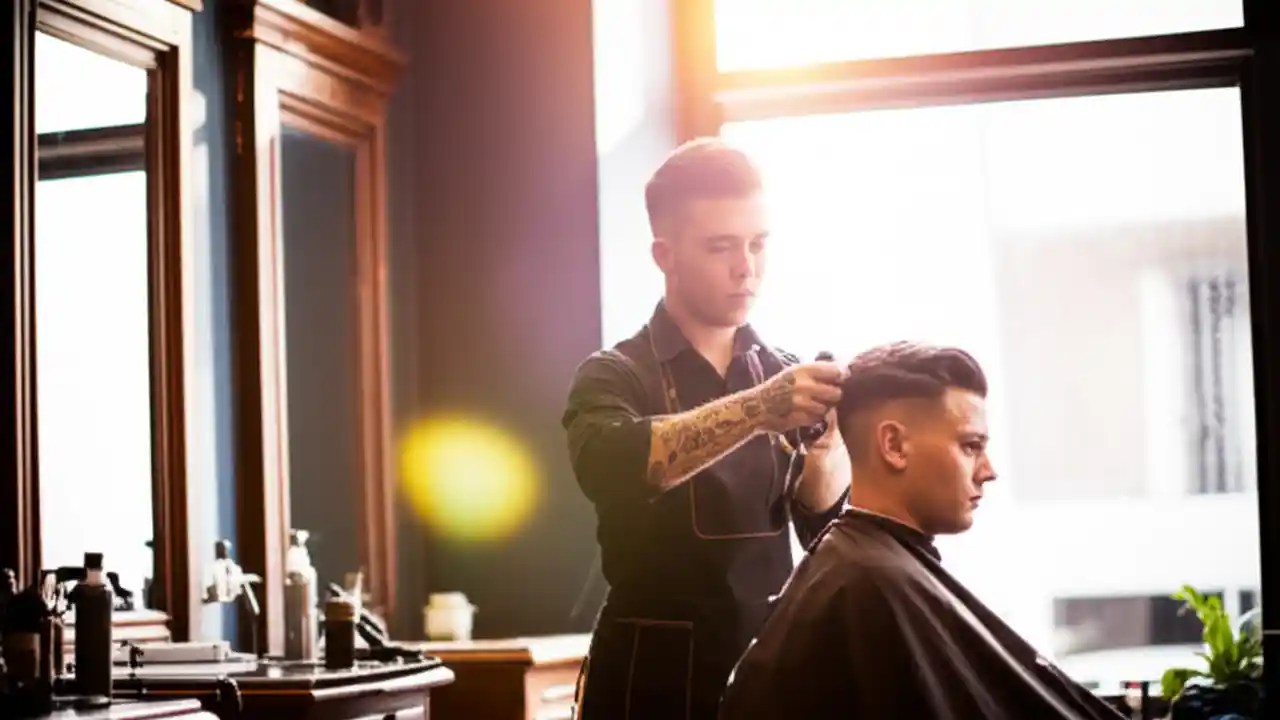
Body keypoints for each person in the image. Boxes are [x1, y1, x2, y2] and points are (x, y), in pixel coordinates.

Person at [561, 138, 851, 719]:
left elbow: (821, 524)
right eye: (721, 247)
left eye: (758, 244)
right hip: (648, 681)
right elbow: (620, 465)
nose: (747, 267)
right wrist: (760, 410)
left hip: (767, 668)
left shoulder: (782, 370)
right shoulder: (612, 375)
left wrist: (828, 443)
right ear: (663, 254)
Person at [718, 342, 1124, 720]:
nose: (989, 471)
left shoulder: (872, 567)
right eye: (970, 446)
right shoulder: (868, 582)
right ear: (893, 445)